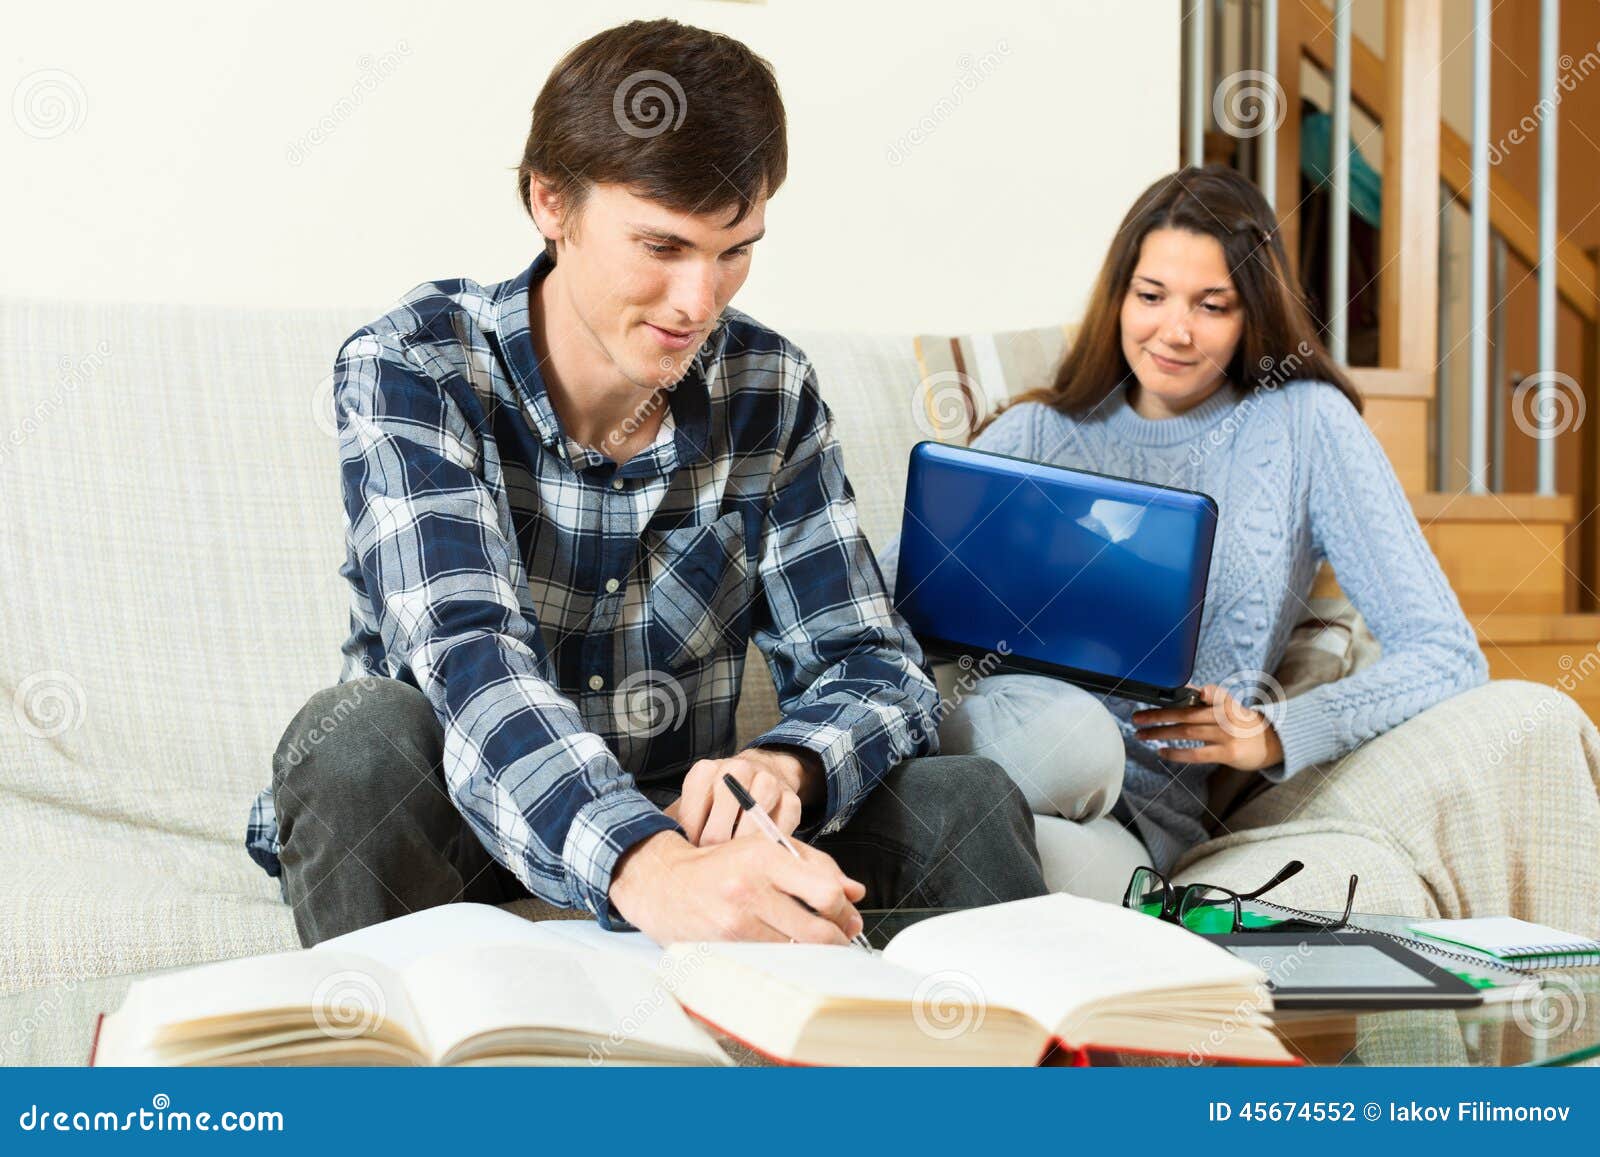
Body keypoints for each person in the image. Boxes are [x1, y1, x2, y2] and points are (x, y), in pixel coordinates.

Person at [244, 19, 1046, 948]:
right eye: (663, 247)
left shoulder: (768, 389)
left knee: (969, 800)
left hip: (682, 819)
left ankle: (1021, 1089)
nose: (700, 303)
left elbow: (871, 663)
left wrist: (786, 764)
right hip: (464, 817)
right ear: (551, 202)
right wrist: (647, 868)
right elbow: (469, 657)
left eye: (734, 249)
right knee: (357, 740)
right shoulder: (413, 365)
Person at [879, 164, 1487, 895]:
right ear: (1119, 297)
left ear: (1251, 313)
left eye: (1212, 304)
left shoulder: (1304, 426)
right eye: (1151, 296)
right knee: (1078, 738)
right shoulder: (1038, 433)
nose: (1175, 330)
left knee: (1023, 873)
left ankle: (879, 833)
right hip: (1022, 737)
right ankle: (889, 796)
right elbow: (877, 598)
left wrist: (1273, 731)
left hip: (1140, 827)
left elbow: (1447, 652)